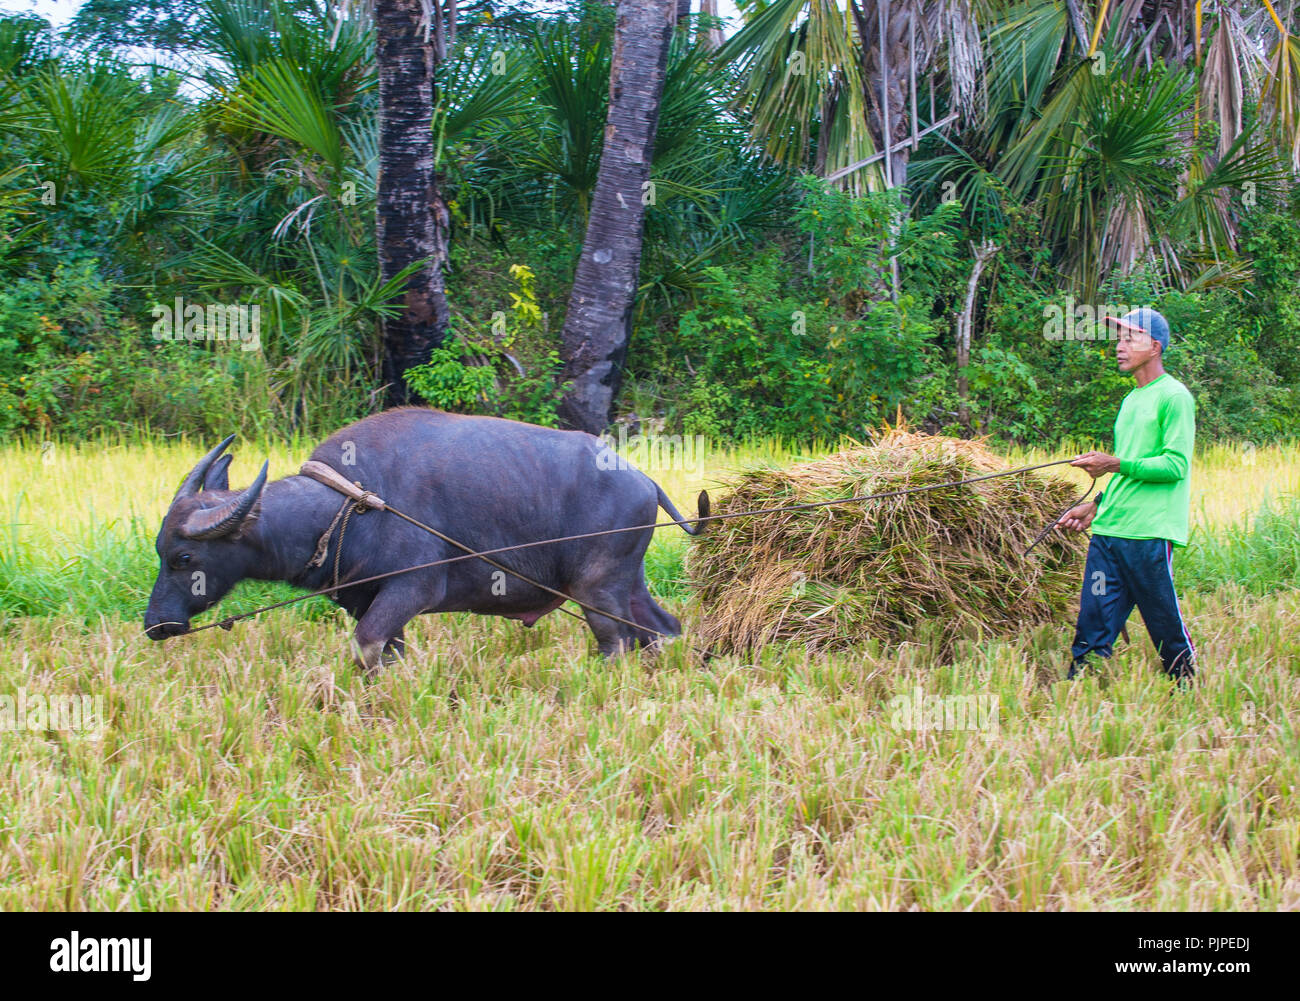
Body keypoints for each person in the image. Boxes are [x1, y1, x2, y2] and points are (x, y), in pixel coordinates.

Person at [1057, 307, 1196, 684]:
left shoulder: (1174, 397)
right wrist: (1096, 504)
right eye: (1118, 338)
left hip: (1148, 537)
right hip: (1110, 534)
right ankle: (1080, 689)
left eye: (1129, 338)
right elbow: (1130, 466)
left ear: (1154, 346)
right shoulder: (1131, 400)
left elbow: (1174, 466)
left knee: (1163, 622)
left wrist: (1114, 463)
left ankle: (1187, 689)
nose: (1119, 346)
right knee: (1094, 618)